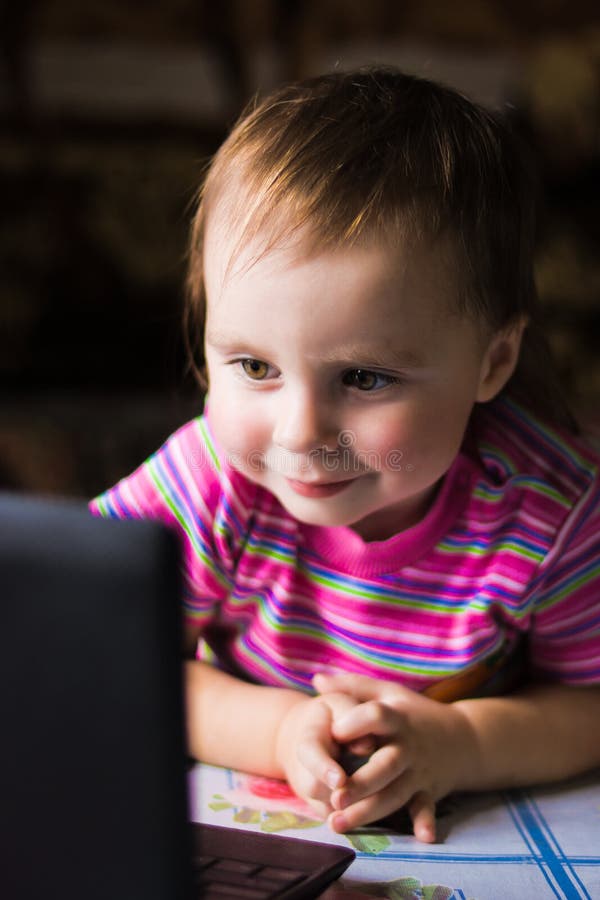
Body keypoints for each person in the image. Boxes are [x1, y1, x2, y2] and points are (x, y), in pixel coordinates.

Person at [90, 67, 600, 843]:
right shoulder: (208, 483)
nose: (299, 433)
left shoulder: (554, 513)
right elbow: (100, 657)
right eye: (254, 366)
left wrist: (461, 744)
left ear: (492, 362)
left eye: (363, 378)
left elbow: (590, 704)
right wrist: (279, 731)